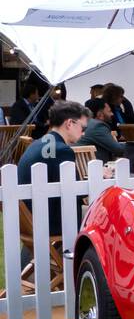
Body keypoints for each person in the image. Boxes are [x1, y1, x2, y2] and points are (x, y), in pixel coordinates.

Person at [18, 100, 87, 237]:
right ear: (69, 123)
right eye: (82, 128)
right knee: (101, 215)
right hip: (52, 222)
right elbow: (77, 192)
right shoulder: (62, 150)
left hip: (30, 219)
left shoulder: (37, 143)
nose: (84, 133)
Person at [77, 98, 128, 164]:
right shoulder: (97, 126)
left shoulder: (84, 123)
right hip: (96, 168)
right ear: (100, 114)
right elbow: (119, 150)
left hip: (82, 166)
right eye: (109, 111)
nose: (112, 114)